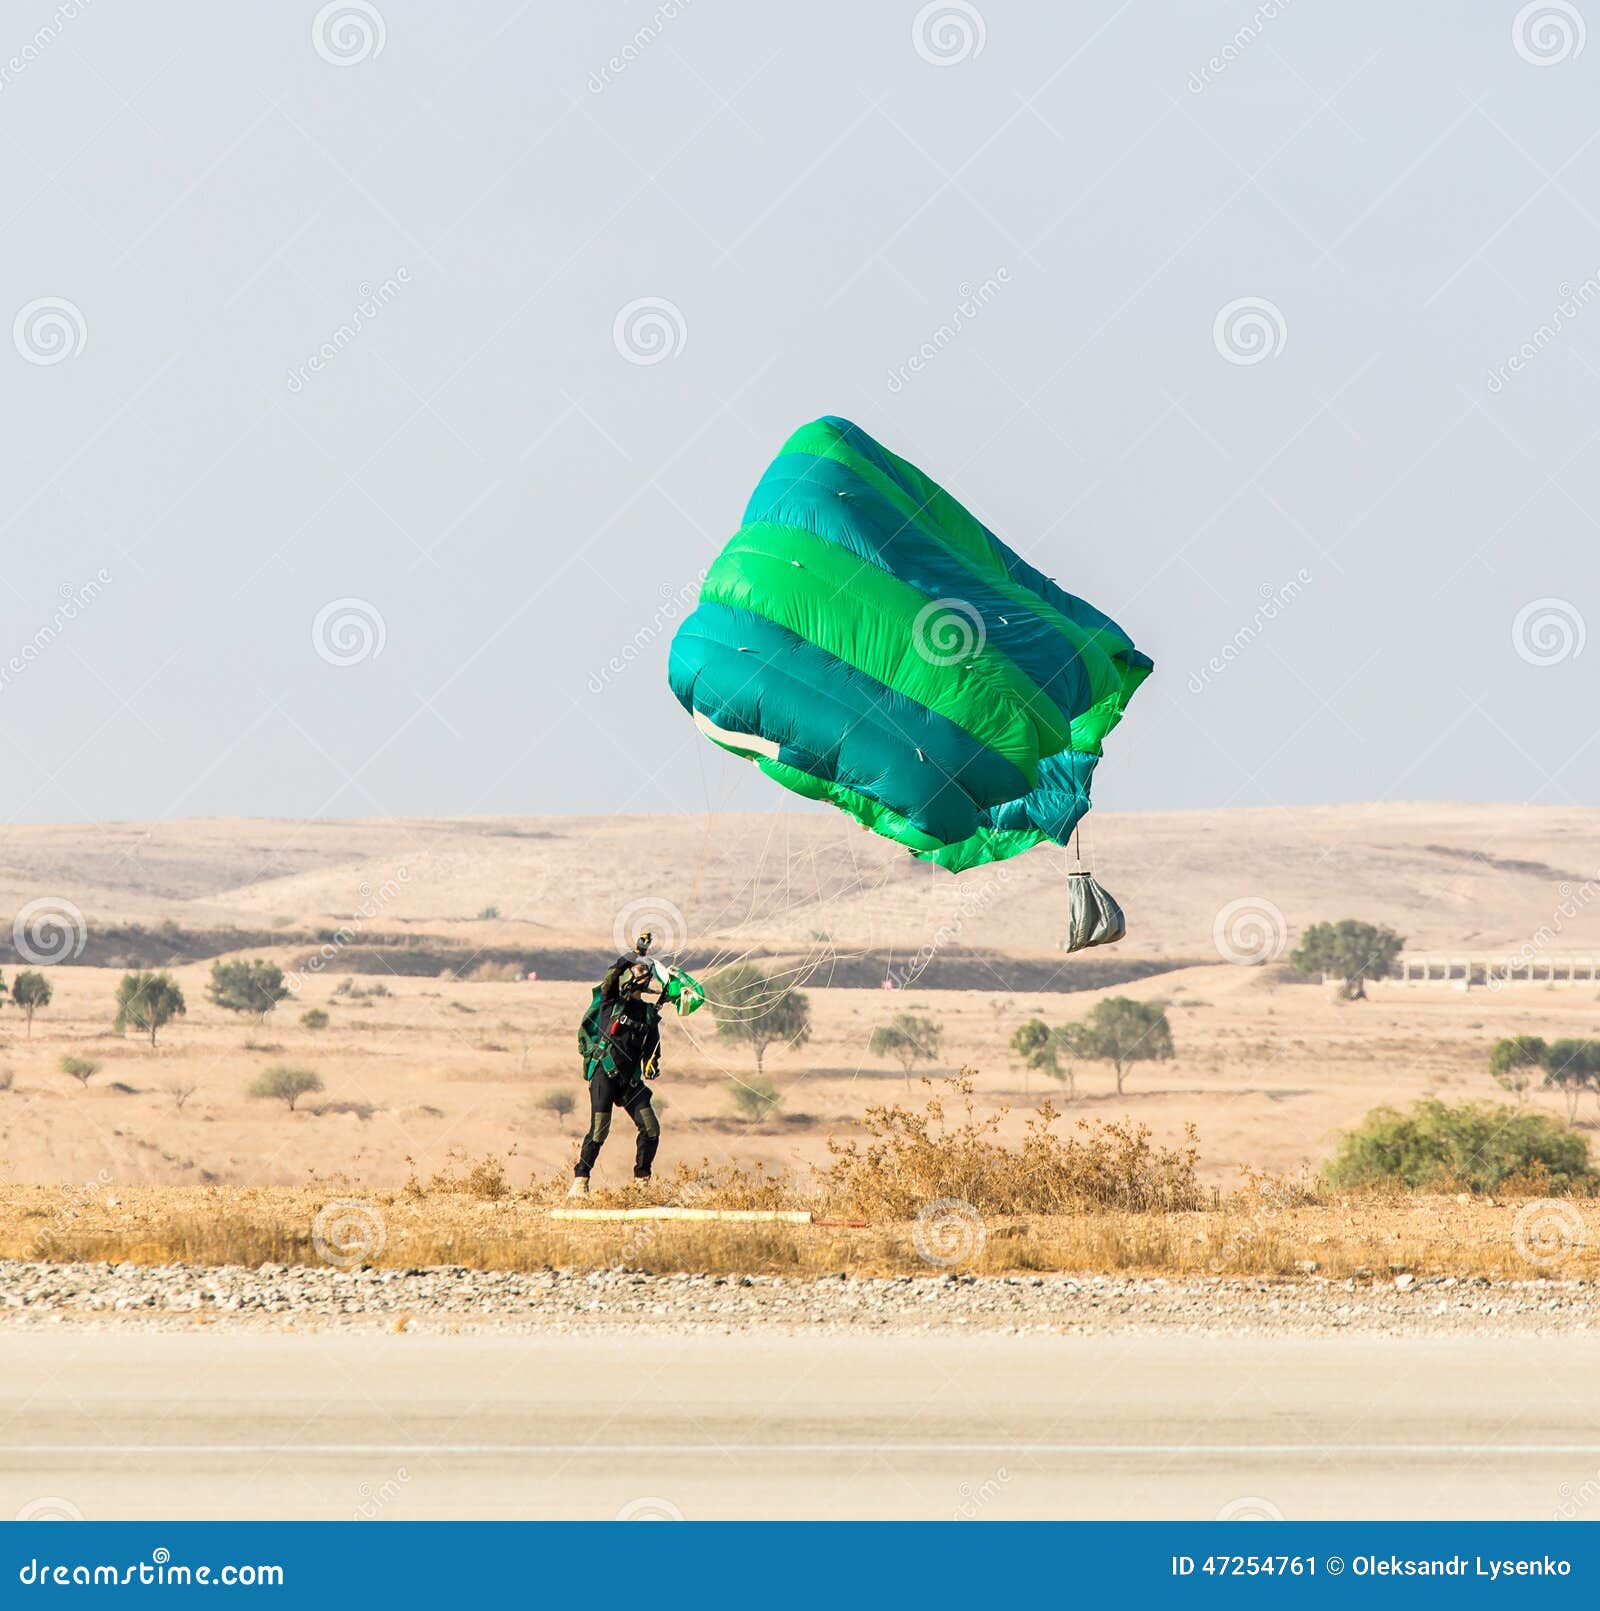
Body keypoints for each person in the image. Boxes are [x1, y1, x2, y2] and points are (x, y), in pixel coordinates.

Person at [567, 953, 663, 1196]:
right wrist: (633, 955)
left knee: (651, 1128)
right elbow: (611, 977)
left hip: (630, 1081)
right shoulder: (610, 1002)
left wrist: (652, 1064)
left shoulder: (648, 1013)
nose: (643, 974)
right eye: (638, 970)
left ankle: (642, 1182)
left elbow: (652, 1047)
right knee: (599, 1129)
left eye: (645, 971)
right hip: (605, 1075)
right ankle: (580, 1180)